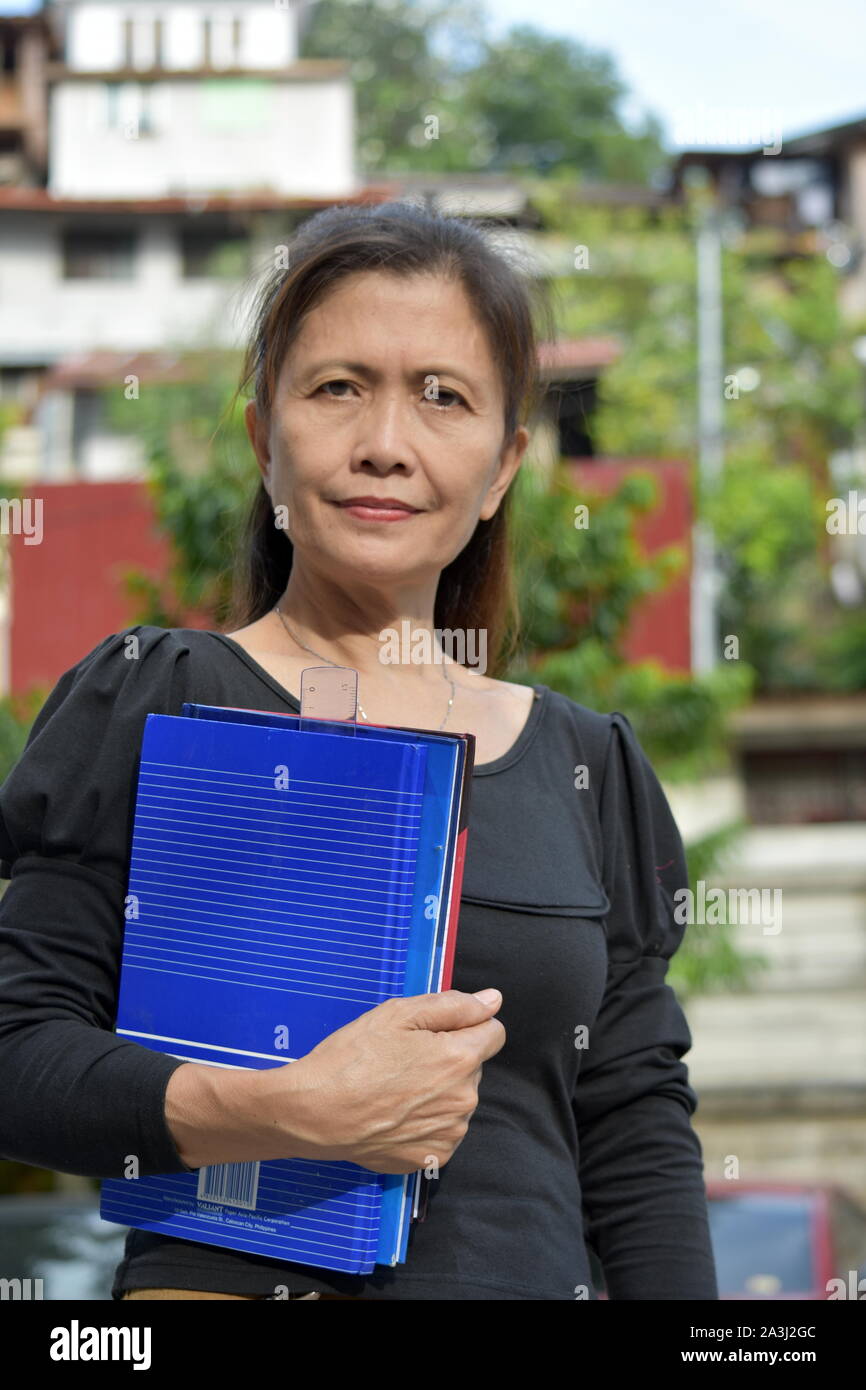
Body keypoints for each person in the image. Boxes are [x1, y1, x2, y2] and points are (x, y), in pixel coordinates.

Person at [0, 201, 718, 1301]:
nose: (384, 441)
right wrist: (283, 1111)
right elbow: (19, 1051)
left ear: (501, 467)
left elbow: (633, 1132)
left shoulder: (589, 766)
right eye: (337, 387)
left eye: (443, 396)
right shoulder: (157, 702)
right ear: (262, 438)